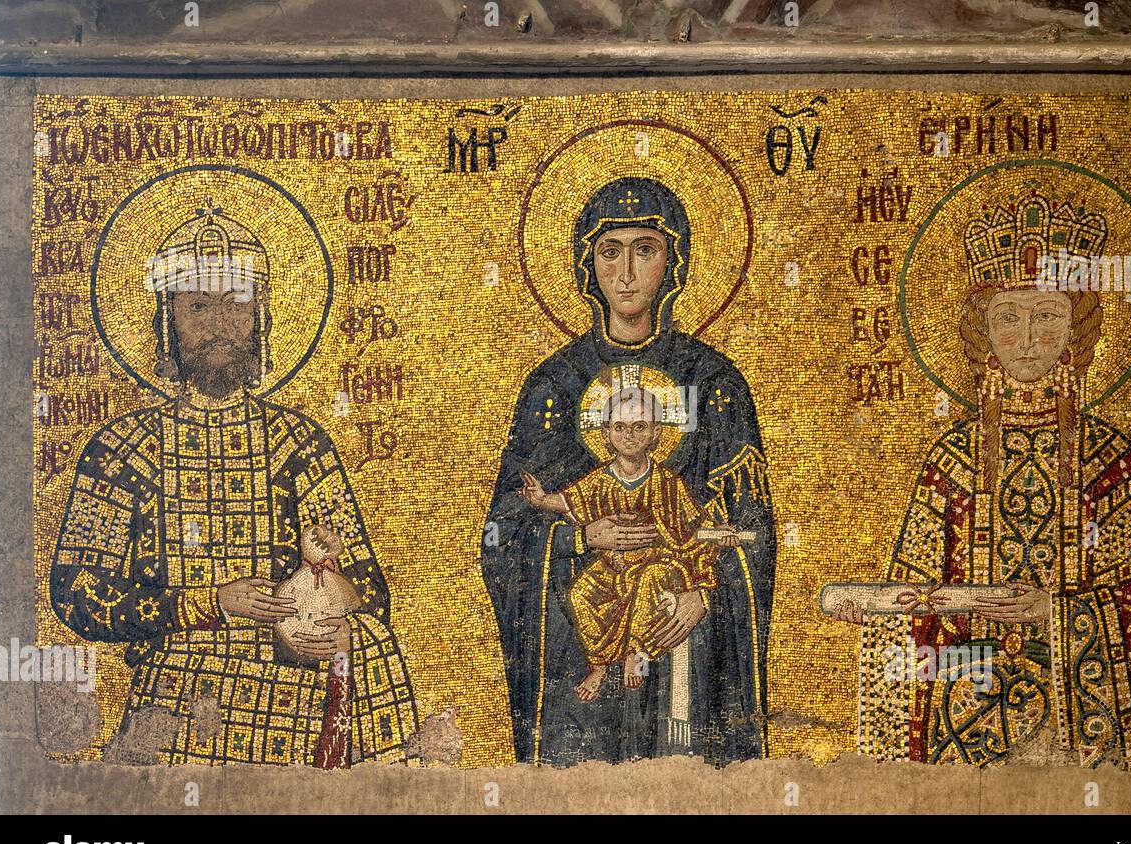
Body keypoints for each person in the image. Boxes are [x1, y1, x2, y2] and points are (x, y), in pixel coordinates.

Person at [50, 200, 418, 766]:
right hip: (174, 706)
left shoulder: (299, 445)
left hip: (295, 705)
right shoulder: (122, 451)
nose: (218, 326)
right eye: (197, 307)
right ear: (166, 322)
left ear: (261, 318)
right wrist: (207, 604)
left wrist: (318, 627)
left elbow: (368, 587)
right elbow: (76, 592)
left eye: (236, 304)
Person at [483, 176, 775, 765]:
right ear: (587, 265)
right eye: (609, 250)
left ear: (674, 262)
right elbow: (500, 535)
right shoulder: (555, 387)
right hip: (576, 651)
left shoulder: (711, 382)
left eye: (646, 249)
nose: (626, 273)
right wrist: (578, 535)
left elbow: (752, 530)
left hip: (683, 626)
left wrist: (703, 591)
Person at [875, 195, 1131, 768]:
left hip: (1073, 711)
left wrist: (1049, 613)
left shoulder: (1109, 459)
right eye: (1008, 316)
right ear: (982, 327)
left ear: (1076, 324)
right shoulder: (954, 457)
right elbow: (908, 598)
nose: (1027, 337)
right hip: (963, 707)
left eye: (1047, 315)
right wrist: (933, 609)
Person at [518, 386, 742, 703]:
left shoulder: (667, 482)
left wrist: (718, 532)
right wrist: (542, 500)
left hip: (659, 564)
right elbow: (571, 503)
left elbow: (695, 524)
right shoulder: (599, 480)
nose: (630, 436)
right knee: (582, 593)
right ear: (606, 434)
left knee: (651, 583)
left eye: (639, 427)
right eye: (620, 428)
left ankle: (636, 652)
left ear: (655, 433)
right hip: (613, 567)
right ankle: (597, 665)